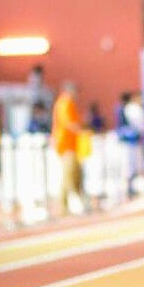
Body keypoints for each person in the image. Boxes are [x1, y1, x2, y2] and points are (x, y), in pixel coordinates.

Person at [52, 81, 90, 215]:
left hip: (71, 144)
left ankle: (74, 202)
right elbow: (68, 123)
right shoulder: (64, 103)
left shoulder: (68, 103)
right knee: (68, 175)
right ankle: (63, 206)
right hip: (66, 144)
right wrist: (81, 129)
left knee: (74, 174)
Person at [118, 91, 144, 198]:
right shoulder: (131, 109)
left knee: (139, 165)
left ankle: (138, 189)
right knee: (129, 167)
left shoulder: (135, 109)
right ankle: (127, 191)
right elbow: (139, 126)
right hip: (130, 142)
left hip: (136, 141)